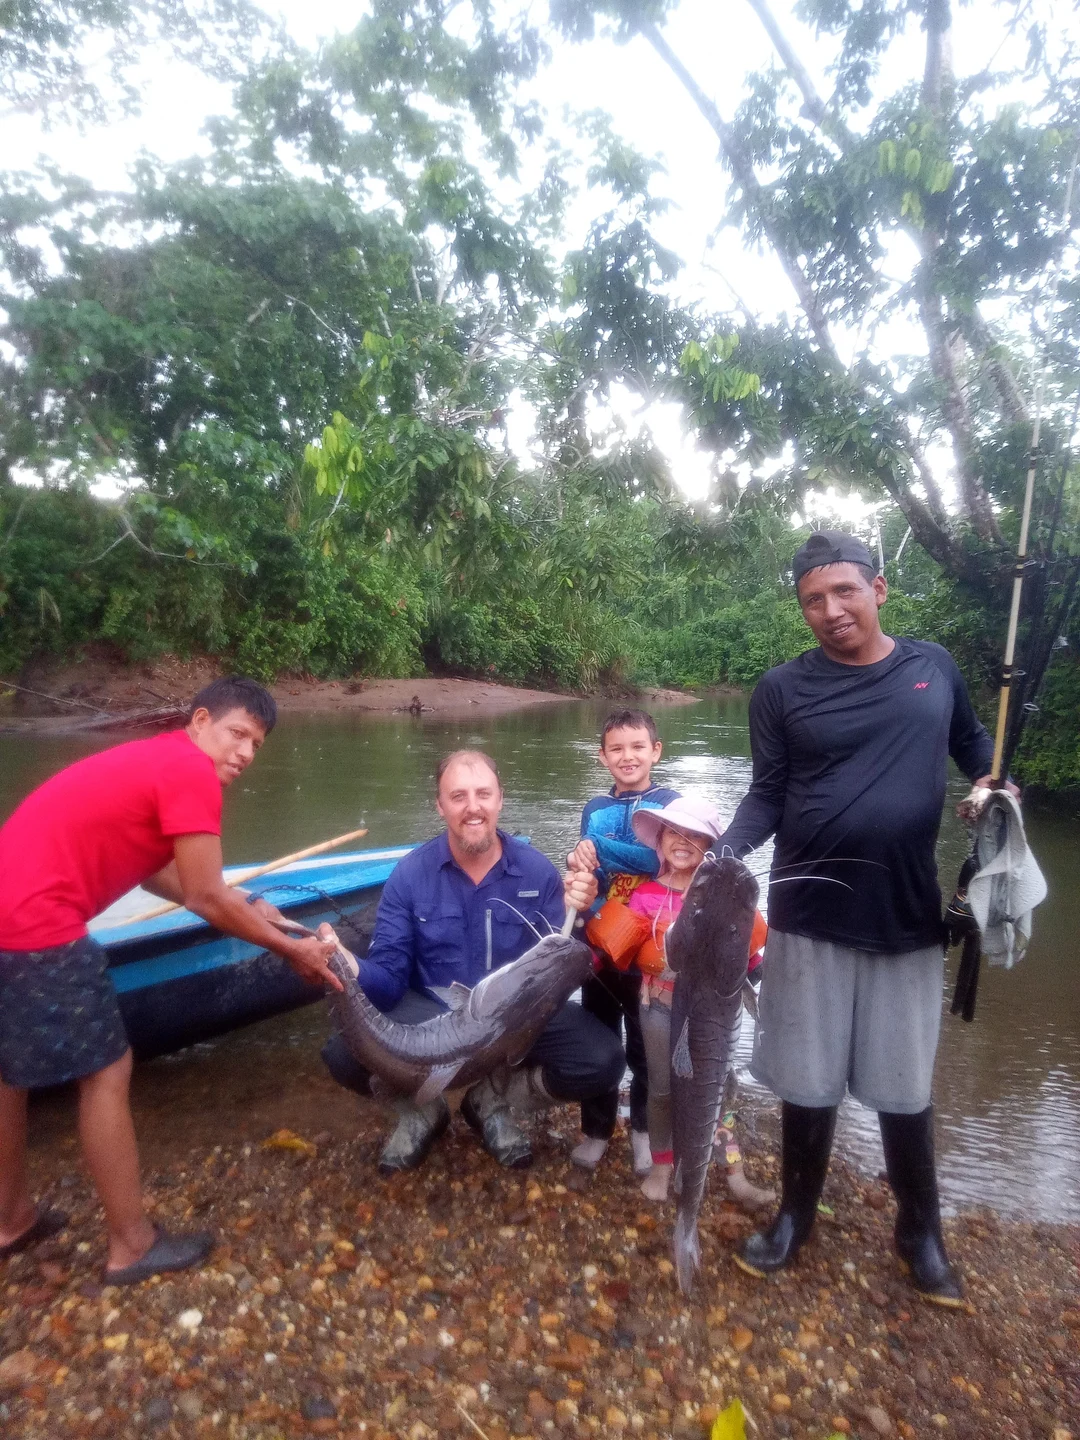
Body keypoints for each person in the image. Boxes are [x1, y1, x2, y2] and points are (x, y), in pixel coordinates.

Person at [722, 530, 1010, 1307]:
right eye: (813, 599)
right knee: (807, 1082)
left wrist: (992, 783)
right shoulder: (781, 689)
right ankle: (794, 1219)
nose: (831, 610)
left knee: (904, 1083)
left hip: (907, 912)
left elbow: (976, 745)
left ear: (879, 589)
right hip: (809, 911)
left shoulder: (933, 667)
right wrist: (723, 854)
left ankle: (921, 1232)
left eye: (845, 591)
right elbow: (767, 792)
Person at [0, 677, 341, 1286]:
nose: (244, 753)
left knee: (8, 1073)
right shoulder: (190, 773)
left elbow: (163, 871)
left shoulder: (160, 759)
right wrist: (293, 950)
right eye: (237, 733)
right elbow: (206, 895)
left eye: (256, 745)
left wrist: (249, 900)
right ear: (200, 719)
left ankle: (9, 1220)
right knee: (106, 1072)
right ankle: (131, 1244)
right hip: (37, 922)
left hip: (8, 907)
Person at [321, 750, 620, 1173]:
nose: (473, 807)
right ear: (439, 806)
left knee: (603, 1059)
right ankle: (423, 1110)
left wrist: (586, 911)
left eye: (483, 794)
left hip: (514, 1017)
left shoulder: (537, 872)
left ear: (500, 800)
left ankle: (492, 1101)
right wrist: (346, 964)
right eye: (458, 796)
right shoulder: (409, 876)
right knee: (344, 1052)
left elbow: (566, 967)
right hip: (436, 1015)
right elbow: (388, 981)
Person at [619, 797, 772, 1209]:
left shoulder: (735, 900)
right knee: (663, 1090)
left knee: (718, 1090)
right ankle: (662, 1166)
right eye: (673, 833)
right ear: (660, 842)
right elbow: (627, 953)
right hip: (660, 1007)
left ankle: (733, 1171)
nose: (682, 841)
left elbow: (755, 959)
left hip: (713, 1016)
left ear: (710, 845)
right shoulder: (645, 896)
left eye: (694, 835)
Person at [566, 710, 680, 1174]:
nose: (627, 756)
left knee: (647, 1049)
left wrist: (598, 848)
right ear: (602, 757)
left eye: (637, 747)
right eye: (616, 748)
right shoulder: (594, 807)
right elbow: (585, 867)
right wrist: (577, 856)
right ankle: (595, 1130)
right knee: (601, 1040)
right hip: (600, 945)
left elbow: (659, 861)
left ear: (656, 751)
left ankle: (643, 1135)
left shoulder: (670, 803)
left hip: (651, 953)